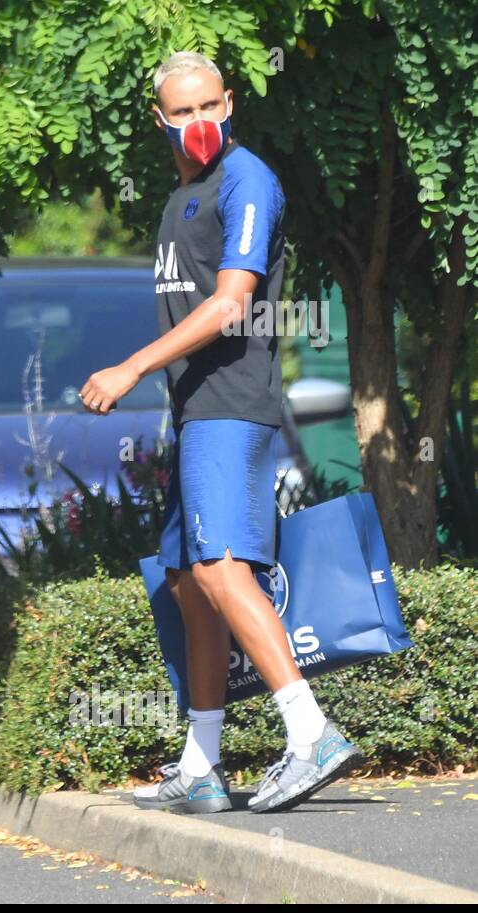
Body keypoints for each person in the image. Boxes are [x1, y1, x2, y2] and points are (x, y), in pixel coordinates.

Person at [80, 51, 363, 814]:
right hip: (196, 410)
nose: (201, 123)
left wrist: (132, 366)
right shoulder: (185, 194)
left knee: (221, 568)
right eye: (183, 111)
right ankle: (202, 763)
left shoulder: (247, 181)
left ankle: (311, 734)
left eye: (211, 106)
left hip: (231, 405)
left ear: (231, 102)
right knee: (185, 580)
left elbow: (234, 302)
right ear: (160, 119)